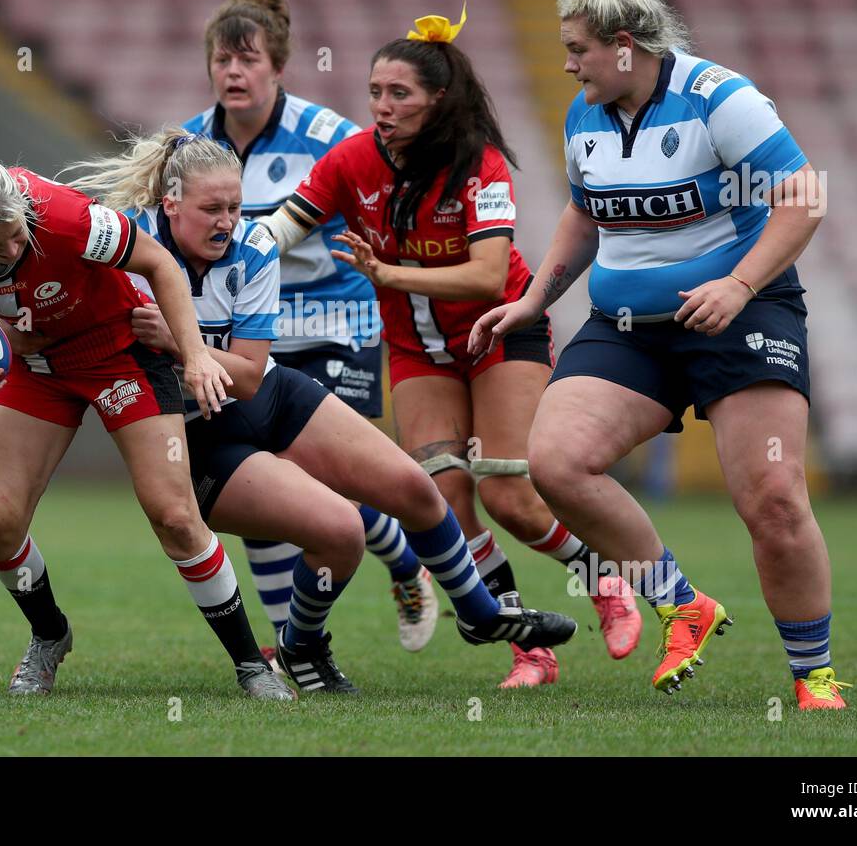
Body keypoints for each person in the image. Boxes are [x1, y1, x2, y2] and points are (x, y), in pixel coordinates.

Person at [64, 129, 579, 693]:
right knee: (341, 532)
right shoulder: (125, 251)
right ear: (170, 205)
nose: (227, 221)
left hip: (266, 395)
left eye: (234, 206)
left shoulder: (254, 247)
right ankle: (303, 647)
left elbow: (248, 374)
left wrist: (177, 341)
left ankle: (479, 614)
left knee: (415, 488)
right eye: (211, 209)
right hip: (194, 436)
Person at [470, 0, 848, 710]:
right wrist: (536, 299)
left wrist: (741, 284)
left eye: (578, 51)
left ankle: (815, 676)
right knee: (557, 461)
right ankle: (683, 603)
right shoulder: (586, 114)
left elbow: (803, 197)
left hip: (742, 312)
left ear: (625, 47)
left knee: (773, 499)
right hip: (627, 325)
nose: (568, 66)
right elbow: (584, 212)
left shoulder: (720, 97)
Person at [254, 5, 642, 688]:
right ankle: (531, 651)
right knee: (444, 506)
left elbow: (489, 274)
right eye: (375, 91)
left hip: (500, 331)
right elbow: (284, 227)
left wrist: (388, 273)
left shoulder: (478, 163)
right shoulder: (351, 159)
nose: (381, 106)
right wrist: (222, 261)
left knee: (513, 500)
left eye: (398, 93)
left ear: (438, 98)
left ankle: (605, 582)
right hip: (416, 348)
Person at [0, 153, 292, 701]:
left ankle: (250, 664)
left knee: (176, 516)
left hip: (121, 356)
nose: (14, 250)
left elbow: (160, 264)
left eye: (18, 235)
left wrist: (196, 355)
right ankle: (49, 635)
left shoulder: (66, 218)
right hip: (40, 370)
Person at [183, 0, 438, 655]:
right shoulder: (187, 146)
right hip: (245, 343)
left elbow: (384, 209)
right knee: (263, 487)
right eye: (221, 59)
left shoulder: (330, 139)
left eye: (247, 59)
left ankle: (407, 567)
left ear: (279, 68)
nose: (233, 72)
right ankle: (281, 643)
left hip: (333, 325)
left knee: (327, 479)